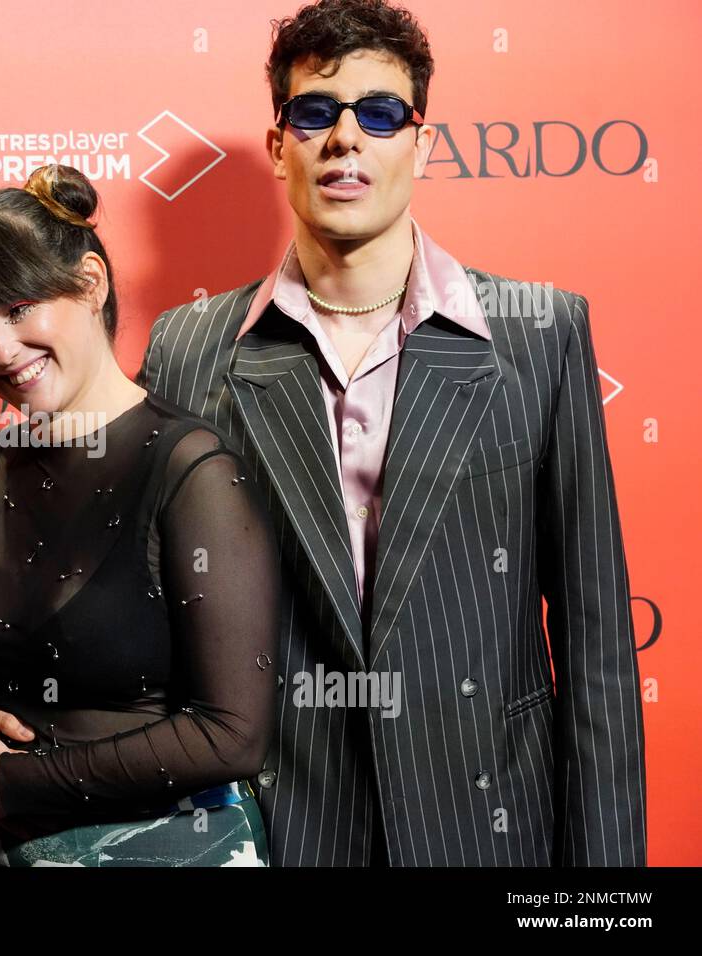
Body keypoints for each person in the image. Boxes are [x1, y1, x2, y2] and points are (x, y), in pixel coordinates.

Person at [140, 0, 647, 865]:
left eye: (379, 113)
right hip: (277, 829)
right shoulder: (190, 350)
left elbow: (597, 641)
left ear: (422, 143)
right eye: (315, 113)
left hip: (489, 826)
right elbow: (150, 625)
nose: (346, 137)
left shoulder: (539, 332)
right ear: (279, 146)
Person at [0, 164, 279, 867]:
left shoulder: (191, 468)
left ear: (90, 283)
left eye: (18, 308)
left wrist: (13, 781)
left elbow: (233, 733)